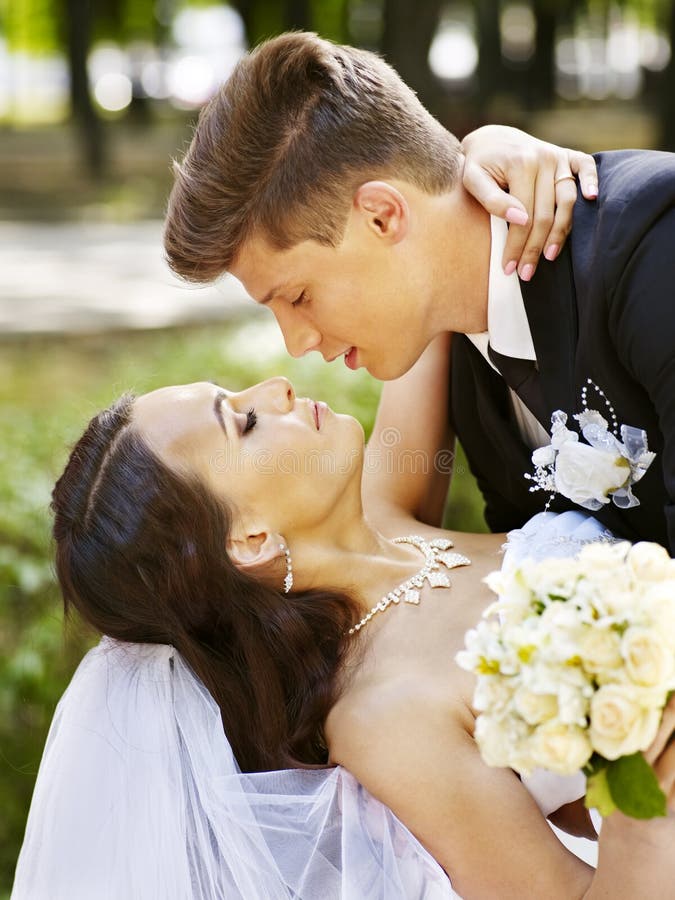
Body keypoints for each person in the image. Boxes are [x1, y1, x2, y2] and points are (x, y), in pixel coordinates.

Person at [12, 349, 675, 897]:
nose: (275, 388)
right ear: (249, 539)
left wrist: (488, 185)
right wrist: (642, 776)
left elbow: (417, 313)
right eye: (243, 422)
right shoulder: (381, 719)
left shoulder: (386, 516)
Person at [163, 32, 675, 553]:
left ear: (382, 216)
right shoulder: (453, 338)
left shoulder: (653, 251)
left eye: (297, 297)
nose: (296, 345)